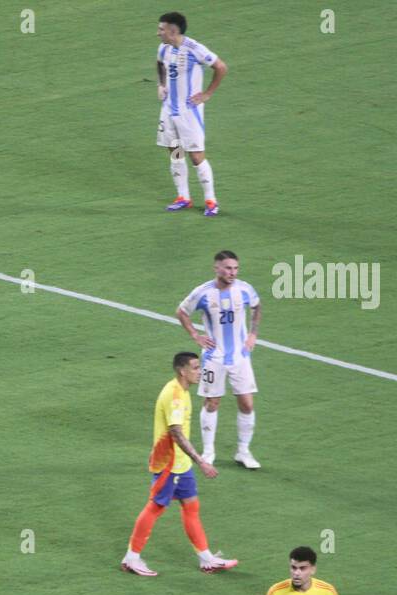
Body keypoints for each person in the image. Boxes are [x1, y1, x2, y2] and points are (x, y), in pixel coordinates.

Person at [120, 352, 237, 577]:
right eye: (195, 367)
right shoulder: (174, 396)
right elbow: (176, 433)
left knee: (191, 506)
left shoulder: (182, 392)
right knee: (156, 507)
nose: (199, 371)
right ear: (182, 371)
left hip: (181, 465)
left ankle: (206, 559)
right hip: (168, 464)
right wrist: (201, 461)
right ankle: (131, 558)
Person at [174, 250, 262, 468]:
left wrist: (253, 334)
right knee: (212, 403)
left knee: (247, 403)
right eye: (228, 268)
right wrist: (196, 335)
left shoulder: (244, 289)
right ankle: (208, 452)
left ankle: (243, 451)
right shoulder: (203, 293)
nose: (232, 272)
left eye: (235, 268)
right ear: (217, 268)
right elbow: (181, 312)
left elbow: (257, 306)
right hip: (214, 358)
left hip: (240, 357)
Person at [156, 11, 227, 216]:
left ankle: (211, 201)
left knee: (196, 157)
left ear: (173, 31)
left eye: (161, 29)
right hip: (169, 110)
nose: (158, 33)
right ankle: (183, 197)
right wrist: (161, 84)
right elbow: (160, 63)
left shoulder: (194, 49)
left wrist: (207, 94)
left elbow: (220, 67)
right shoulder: (164, 48)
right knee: (176, 153)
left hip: (189, 113)